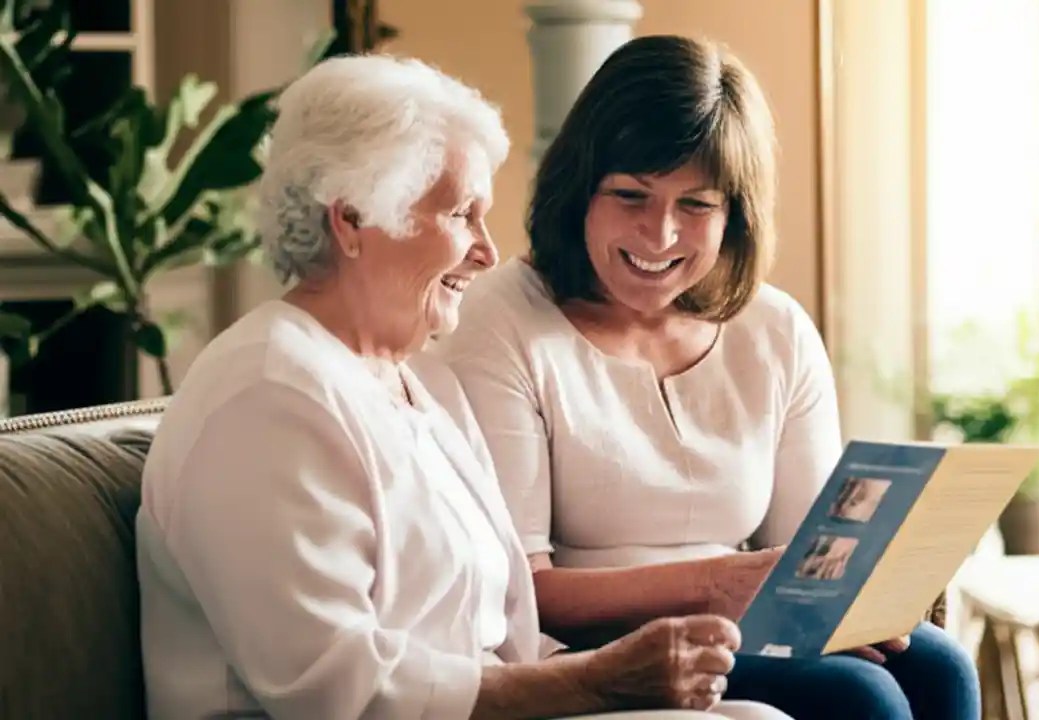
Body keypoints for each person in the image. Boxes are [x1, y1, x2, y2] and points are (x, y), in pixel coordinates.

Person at [134, 54, 790, 720]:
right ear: (353, 220)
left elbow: (502, 631)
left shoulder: (419, 384)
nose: (485, 250)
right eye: (460, 216)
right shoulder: (267, 396)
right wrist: (601, 681)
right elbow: (342, 693)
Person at [423, 35, 981, 720]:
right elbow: (519, 592)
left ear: (735, 214)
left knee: (942, 669)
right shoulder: (503, 322)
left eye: (696, 205)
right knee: (860, 699)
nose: (659, 234)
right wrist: (718, 583)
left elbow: (807, 558)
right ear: (580, 194)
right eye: (631, 195)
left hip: (746, 628)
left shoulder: (774, 329)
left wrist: (864, 586)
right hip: (582, 647)